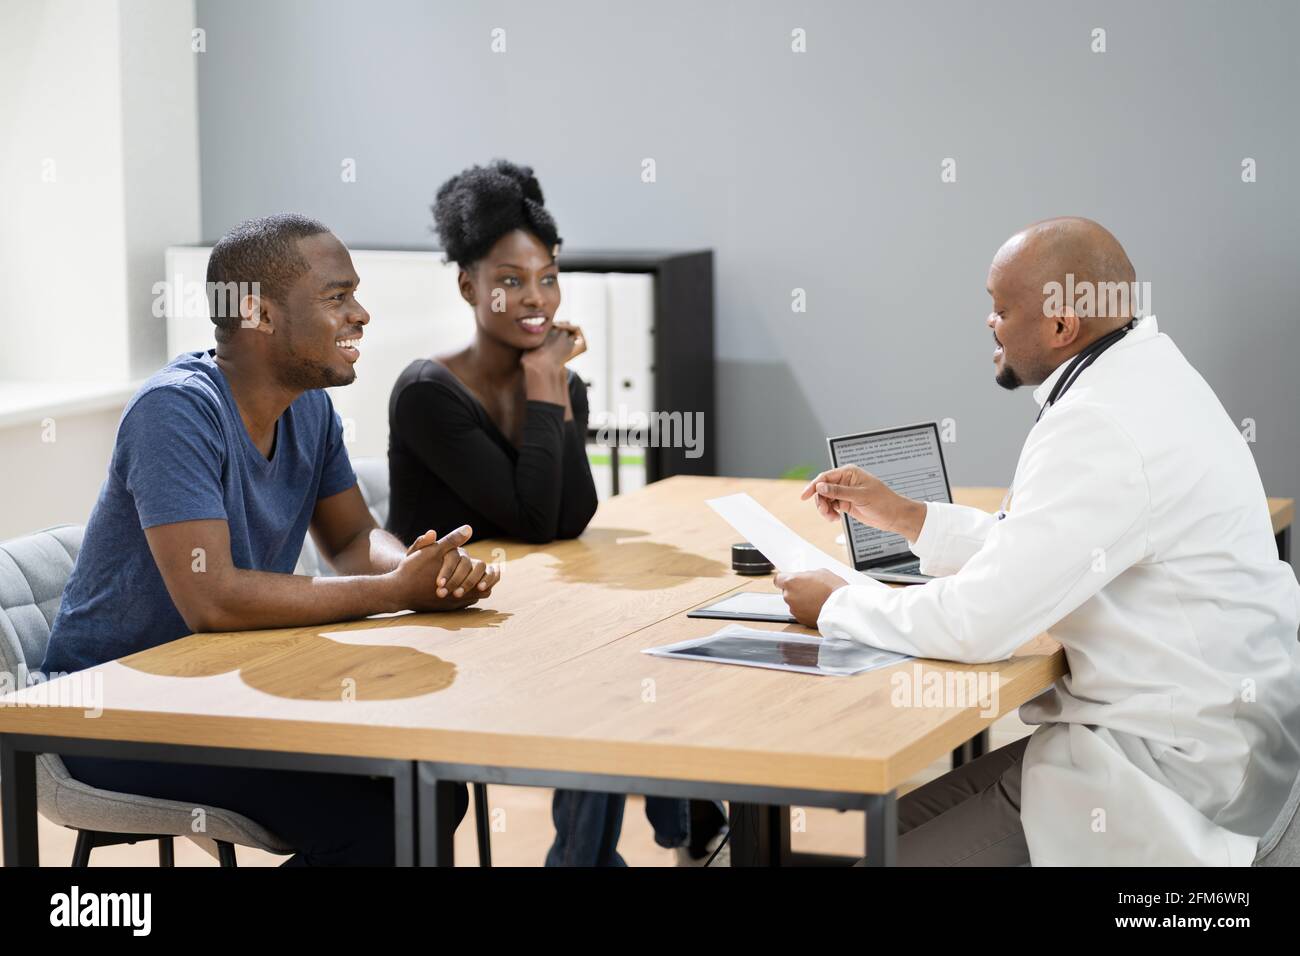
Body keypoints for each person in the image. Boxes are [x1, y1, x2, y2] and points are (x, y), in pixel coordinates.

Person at [778, 217, 1300, 865]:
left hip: (1172, 771)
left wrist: (834, 605)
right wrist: (911, 517)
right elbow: (1054, 549)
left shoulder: (1100, 423)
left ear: (1060, 326)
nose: (988, 324)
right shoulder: (1147, 375)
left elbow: (977, 626)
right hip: (1216, 736)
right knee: (885, 836)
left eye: (1000, 308)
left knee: (881, 858)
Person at [40, 213, 499, 866]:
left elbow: (354, 540)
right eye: (338, 297)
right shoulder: (174, 412)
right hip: (112, 719)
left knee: (425, 788)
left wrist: (421, 569)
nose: (362, 314)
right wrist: (390, 591)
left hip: (220, 693)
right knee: (389, 810)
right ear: (257, 313)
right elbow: (214, 600)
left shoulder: (307, 406)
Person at [387, 160, 728, 865]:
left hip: (522, 613)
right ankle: (658, 840)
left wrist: (555, 387)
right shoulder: (428, 393)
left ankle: (680, 834)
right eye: (509, 280)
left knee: (637, 651)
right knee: (606, 686)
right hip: (437, 632)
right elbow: (534, 521)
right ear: (468, 286)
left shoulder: (561, 378)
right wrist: (548, 386)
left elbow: (571, 514)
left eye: (546, 277)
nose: (534, 297)